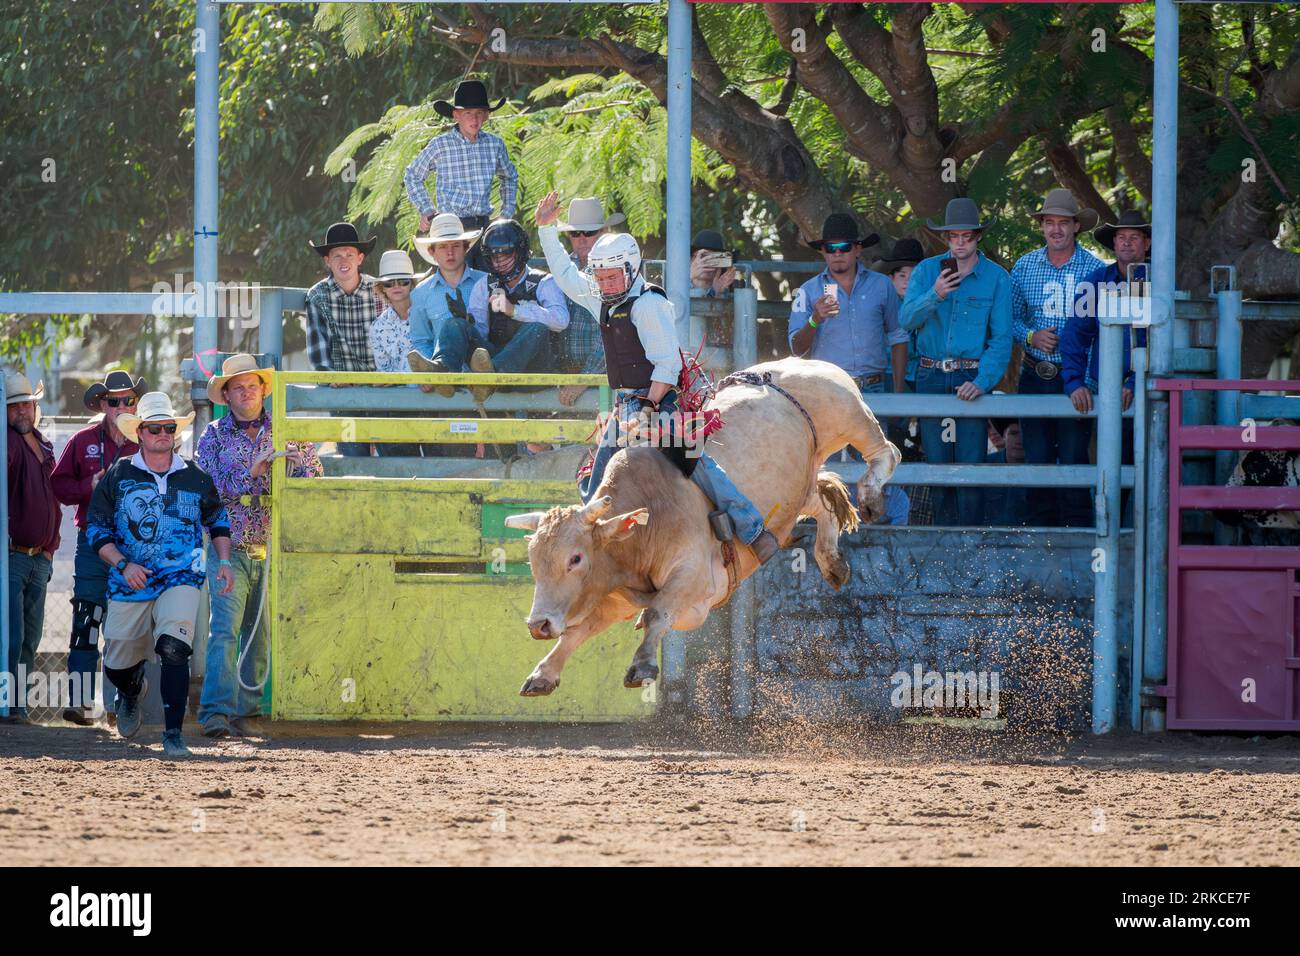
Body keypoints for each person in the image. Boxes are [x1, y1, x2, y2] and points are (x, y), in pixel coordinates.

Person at [535, 193, 780, 563]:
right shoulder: (603, 294)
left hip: (657, 400)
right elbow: (568, 276)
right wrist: (546, 229)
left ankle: (752, 530)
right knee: (595, 486)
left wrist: (648, 406)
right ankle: (596, 555)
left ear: (630, 270)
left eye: (611, 276)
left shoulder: (648, 304)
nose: (605, 282)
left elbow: (667, 365)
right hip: (627, 406)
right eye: (600, 276)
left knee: (694, 463)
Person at [86, 392, 234, 757]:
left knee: (174, 648)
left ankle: (173, 735)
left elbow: (218, 520)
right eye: (155, 428)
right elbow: (96, 530)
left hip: (182, 574)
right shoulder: (118, 475)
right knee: (117, 662)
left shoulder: (196, 476)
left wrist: (225, 562)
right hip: (129, 578)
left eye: (169, 427)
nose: (163, 433)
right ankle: (130, 688)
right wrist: (123, 564)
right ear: (140, 433)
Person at [196, 356, 322, 739]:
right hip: (228, 548)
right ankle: (216, 712)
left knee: (260, 632)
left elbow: (315, 479)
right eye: (238, 387)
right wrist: (252, 473)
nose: (246, 392)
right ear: (227, 396)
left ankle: (247, 711)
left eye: (252, 386)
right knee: (225, 631)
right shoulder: (212, 436)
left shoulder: (288, 430)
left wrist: (297, 467)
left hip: (270, 547)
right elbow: (208, 491)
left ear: (263, 390)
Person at [900, 198, 1013, 526]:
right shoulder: (926, 272)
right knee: (935, 466)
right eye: (954, 237)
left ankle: (970, 543)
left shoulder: (997, 278)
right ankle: (941, 542)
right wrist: (936, 293)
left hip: (972, 376)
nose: (960, 244)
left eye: (967, 236)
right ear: (945, 238)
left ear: (978, 237)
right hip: (931, 374)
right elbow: (905, 320)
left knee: (970, 467)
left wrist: (982, 381)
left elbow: (1001, 339)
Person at [788, 213, 908, 523]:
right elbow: (796, 349)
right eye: (830, 248)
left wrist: (898, 395)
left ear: (857, 249)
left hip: (875, 387)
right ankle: (834, 529)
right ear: (823, 252)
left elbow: (898, 338)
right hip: (828, 393)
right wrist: (815, 319)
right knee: (827, 468)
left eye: (843, 247)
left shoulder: (882, 287)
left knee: (878, 464)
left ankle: (884, 531)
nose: (837, 254)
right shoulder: (808, 292)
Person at [50, 369, 145, 724]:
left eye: (128, 400)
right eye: (114, 400)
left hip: (134, 548)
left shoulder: (147, 439)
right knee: (87, 619)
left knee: (127, 627)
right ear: (102, 404)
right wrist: (90, 484)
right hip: (93, 544)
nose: (121, 406)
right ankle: (80, 703)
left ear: (135, 403)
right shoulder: (82, 440)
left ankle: (120, 706)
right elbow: (58, 487)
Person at [1011, 188, 1105, 527]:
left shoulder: (1095, 270)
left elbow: (1104, 329)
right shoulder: (1024, 266)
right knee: (1036, 459)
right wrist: (1031, 336)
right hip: (1035, 373)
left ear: (1076, 226)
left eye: (1063, 223)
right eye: (1049, 223)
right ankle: (1040, 534)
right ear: (1042, 227)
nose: (1056, 230)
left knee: (1075, 456)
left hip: (1076, 378)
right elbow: (1011, 318)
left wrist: (1088, 380)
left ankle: (1078, 536)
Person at [416, 218, 567, 404]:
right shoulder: (484, 286)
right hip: (493, 362)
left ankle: (492, 377)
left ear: (519, 252)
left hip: (534, 371)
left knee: (538, 327)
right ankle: (443, 371)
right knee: (455, 324)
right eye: (494, 258)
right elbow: (480, 334)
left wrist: (515, 311)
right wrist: (465, 321)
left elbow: (561, 320)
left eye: (506, 255)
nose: (499, 263)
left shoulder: (544, 282)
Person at [4, 373, 59, 723]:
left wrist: (51, 549)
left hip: (39, 558)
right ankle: (7, 705)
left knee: (29, 638)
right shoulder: (6, 443)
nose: (24, 410)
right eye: (15, 405)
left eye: (28, 403)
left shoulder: (44, 444)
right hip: (12, 555)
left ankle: (17, 705)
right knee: (12, 638)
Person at [403, 79, 517, 247]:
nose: (475, 119)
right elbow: (412, 175)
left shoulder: (495, 145)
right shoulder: (441, 145)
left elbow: (510, 176)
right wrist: (427, 209)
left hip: (484, 227)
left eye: (479, 113)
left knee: (486, 272)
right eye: (468, 113)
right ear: (456, 115)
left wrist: (506, 214)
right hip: (450, 229)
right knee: (454, 271)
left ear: (486, 115)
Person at [305, 221, 382, 457]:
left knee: (393, 453)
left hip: (382, 388)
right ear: (327, 261)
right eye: (336, 255)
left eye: (349, 254)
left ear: (360, 258)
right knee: (354, 460)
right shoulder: (317, 296)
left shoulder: (379, 290)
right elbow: (318, 353)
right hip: (343, 392)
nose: (343, 260)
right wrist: (332, 379)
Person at [550, 196, 622, 407]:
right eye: (575, 233)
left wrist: (583, 380)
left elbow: (613, 332)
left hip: (604, 374)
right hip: (562, 372)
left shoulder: (614, 273)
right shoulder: (560, 269)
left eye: (589, 233)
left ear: (604, 233)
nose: (582, 239)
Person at [407, 214, 486, 398]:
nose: (450, 253)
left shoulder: (485, 283)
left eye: (456, 245)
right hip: (442, 391)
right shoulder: (420, 293)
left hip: (483, 380)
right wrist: (425, 375)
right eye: (443, 247)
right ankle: (440, 371)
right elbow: (421, 339)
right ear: (432, 251)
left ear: (466, 248)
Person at [367, 250, 432, 458]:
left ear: (412, 284)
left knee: (438, 460)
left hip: (432, 395)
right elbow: (383, 371)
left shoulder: (428, 312)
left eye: (402, 281)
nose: (396, 287)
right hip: (400, 401)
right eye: (389, 283)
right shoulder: (377, 328)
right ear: (382, 289)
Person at [871, 238, 925, 390]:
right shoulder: (881, 306)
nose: (907, 282)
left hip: (920, 375)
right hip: (889, 374)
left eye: (914, 277)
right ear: (891, 279)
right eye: (902, 276)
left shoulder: (927, 305)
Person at [688, 229, 738, 300]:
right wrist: (689, 277)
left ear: (720, 264)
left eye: (713, 257)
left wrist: (718, 293)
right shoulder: (672, 285)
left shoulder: (723, 289)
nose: (706, 262)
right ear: (692, 259)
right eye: (702, 256)